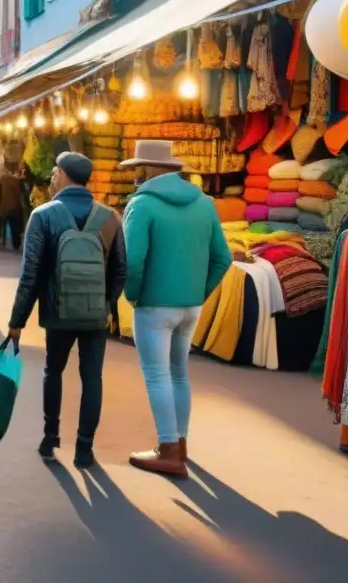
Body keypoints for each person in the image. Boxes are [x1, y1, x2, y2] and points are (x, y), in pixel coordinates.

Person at [7, 152, 127, 468]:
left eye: (54, 172)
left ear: (62, 174)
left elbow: (30, 273)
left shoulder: (43, 216)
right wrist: (103, 303)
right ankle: (84, 449)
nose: (51, 178)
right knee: (92, 379)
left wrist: (17, 321)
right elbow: (120, 271)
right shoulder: (111, 217)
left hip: (58, 314)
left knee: (53, 371)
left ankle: (50, 438)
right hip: (94, 317)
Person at [120, 140, 231, 477]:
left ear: (148, 170)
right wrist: (199, 291)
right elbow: (223, 258)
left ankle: (168, 449)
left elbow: (133, 261)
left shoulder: (142, 206)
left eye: (138, 168)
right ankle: (180, 444)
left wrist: (133, 295)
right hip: (190, 305)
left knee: (157, 375)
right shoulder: (205, 203)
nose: (136, 175)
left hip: (154, 304)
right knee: (179, 373)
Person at [0, 161, 26, 250]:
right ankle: (16, 244)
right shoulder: (18, 181)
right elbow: (22, 195)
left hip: (3, 208)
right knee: (15, 227)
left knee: (0, 224)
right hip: (16, 208)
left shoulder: (2, 180)